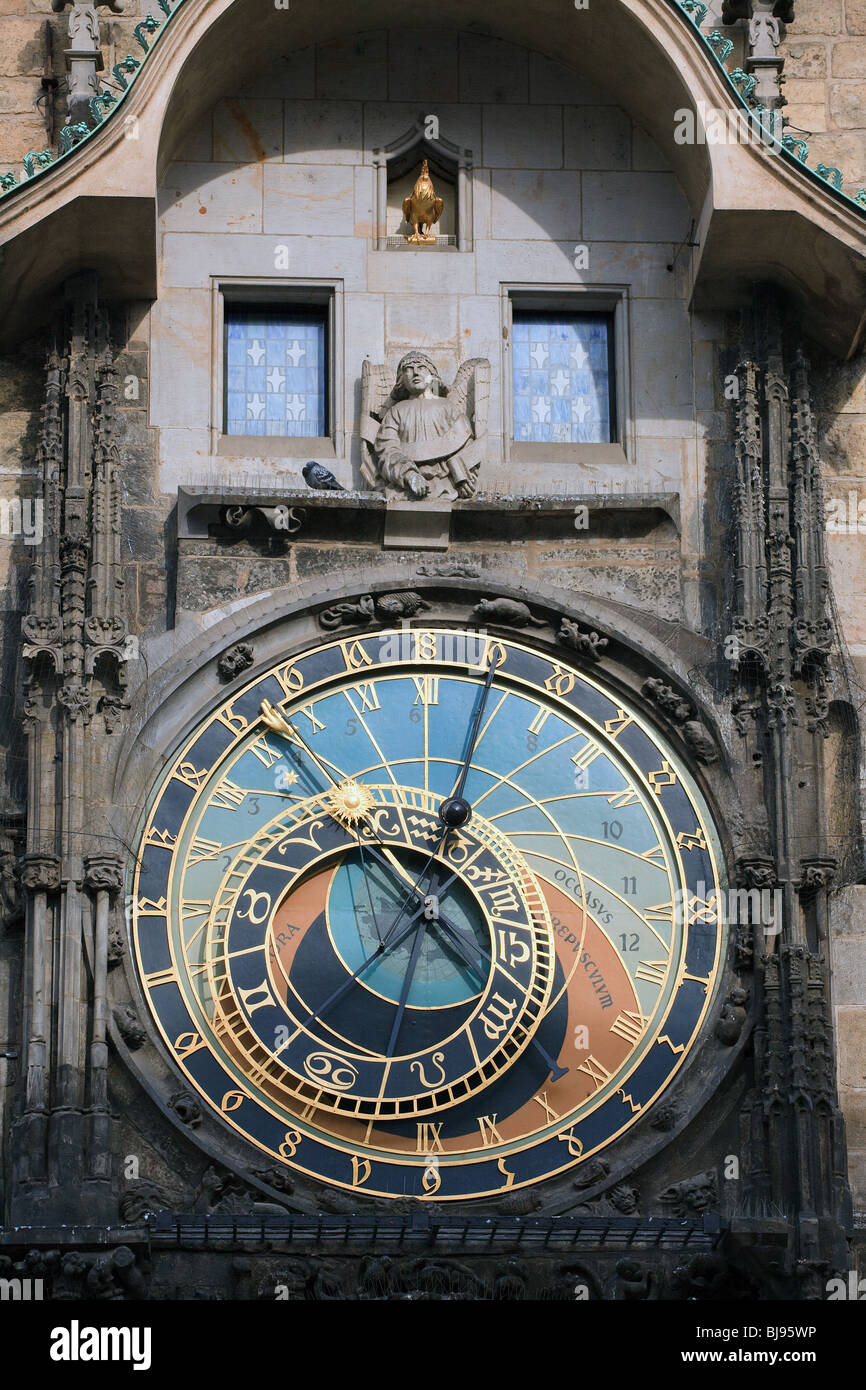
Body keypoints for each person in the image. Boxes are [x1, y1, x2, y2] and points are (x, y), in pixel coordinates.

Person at [374, 351, 479, 500]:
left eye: (422, 367)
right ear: (401, 379)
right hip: (405, 487)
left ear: (432, 376)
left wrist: (463, 479)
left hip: (446, 485)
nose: (415, 373)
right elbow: (387, 449)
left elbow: (465, 444)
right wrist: (408, 474)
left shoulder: (448, 407)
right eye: (408, 369)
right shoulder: (396, 411)